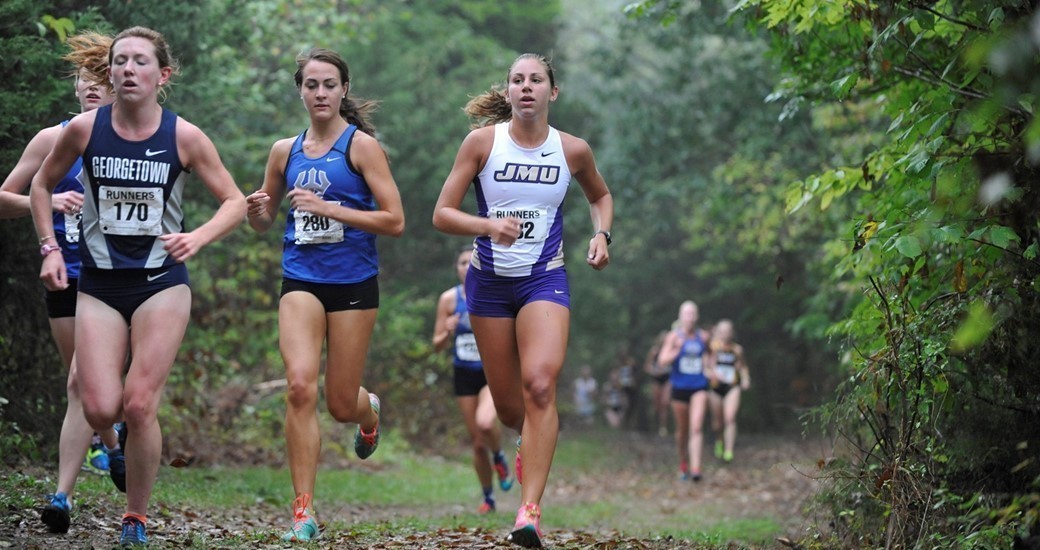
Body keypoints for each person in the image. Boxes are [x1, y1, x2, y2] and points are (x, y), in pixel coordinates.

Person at [29, 26, 247, 547]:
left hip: (161, 283)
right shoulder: (83, 130)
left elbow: (234, 201)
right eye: (119, 61)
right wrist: (50, 249)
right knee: (101, 406)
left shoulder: (183, 136)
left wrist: (198, 237)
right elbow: (39, 185)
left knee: (139, 404)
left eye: (140, 62)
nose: (128, 69)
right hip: (99, 284)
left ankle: (135, 518)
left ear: (161, 75)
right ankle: (121, 446)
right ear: (110, 72)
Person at [432, 53, 614, 548]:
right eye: (518, 80)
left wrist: (603, 236)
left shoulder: (571, 150)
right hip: (489, 286)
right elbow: (442, 214)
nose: (526, 87)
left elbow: (600, 196)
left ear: (552, 92)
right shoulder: (481, 144)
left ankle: (528, 513)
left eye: (536, 80)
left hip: (543, 280)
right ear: (508, 92)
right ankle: (524, 444)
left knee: (539, 387)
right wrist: (487, 225)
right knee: (512, 409)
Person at [245, 47, 405, 543]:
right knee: (298, 386)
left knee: (339, 403)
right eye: (311, 84)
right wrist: (256, 213)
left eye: (329, 85)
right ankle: (303, 510)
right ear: (300, 90)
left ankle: (367, 411)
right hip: (301, 279)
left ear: (343, 90)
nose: (320, 93)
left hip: (353, 283)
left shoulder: (361, 148)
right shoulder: (283, 151)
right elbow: (267, 221)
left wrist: (333, 209)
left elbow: (395, 220)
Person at [0, 31, 120, 534]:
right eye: (82, 79)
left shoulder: (134, 141)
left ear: (117, 86)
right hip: (64, 274)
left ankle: (61, 497)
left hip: (117, 279)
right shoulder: (54, 139)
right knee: (81, 380)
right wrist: (44, 203)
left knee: (81, 384)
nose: (90, 87)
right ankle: (114, 446)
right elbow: (5, 196)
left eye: (100, 80)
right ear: (74, 87)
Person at [432, 246, 514, 514]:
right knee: (477, 443)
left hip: (490, 373)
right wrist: (447, 331)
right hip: (463, 374)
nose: (467, 266)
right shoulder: (449, 299)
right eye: (462, 262)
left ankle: (500, 456)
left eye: (471, 261)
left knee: (485, 421)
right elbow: (437, 345)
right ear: (456, 267)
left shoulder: (493, 292)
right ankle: (488, 498)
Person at [657, 301, 714, 482]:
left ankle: (696, 469)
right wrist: (676, 350)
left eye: (692, 314)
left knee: (696, 427)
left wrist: (710, 370)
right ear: (681, 317)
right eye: (686, 314)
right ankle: (683, 462)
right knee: (682, 430)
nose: (689, 317)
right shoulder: (673, 337)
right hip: (679, 388)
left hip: (699, 387)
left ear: (696, 317)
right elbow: (662, 361)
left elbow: (711, 355)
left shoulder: (703, 337)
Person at [708, 319, 750, 463]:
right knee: (718, 423)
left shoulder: (737, 349)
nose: (725, 334)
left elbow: (742, 367)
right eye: (722, 331)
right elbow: (706, 366)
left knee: (730, 418)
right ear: (717, 332)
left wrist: (745, 379)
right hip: (716, 387)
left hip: (732, 386)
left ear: (732, 333)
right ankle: (719, 440)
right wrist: (712, 373)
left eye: (727, 331)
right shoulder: (712, 348)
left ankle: (729, 450)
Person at [643, 331, 671, 437]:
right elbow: (647, 366)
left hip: (667, 379)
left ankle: (663, 427)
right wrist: (654, 371)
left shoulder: (671, 351)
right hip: (656, 379)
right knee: (656, 403)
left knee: (665, 402)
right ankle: (653, 424)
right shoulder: (654, 351)